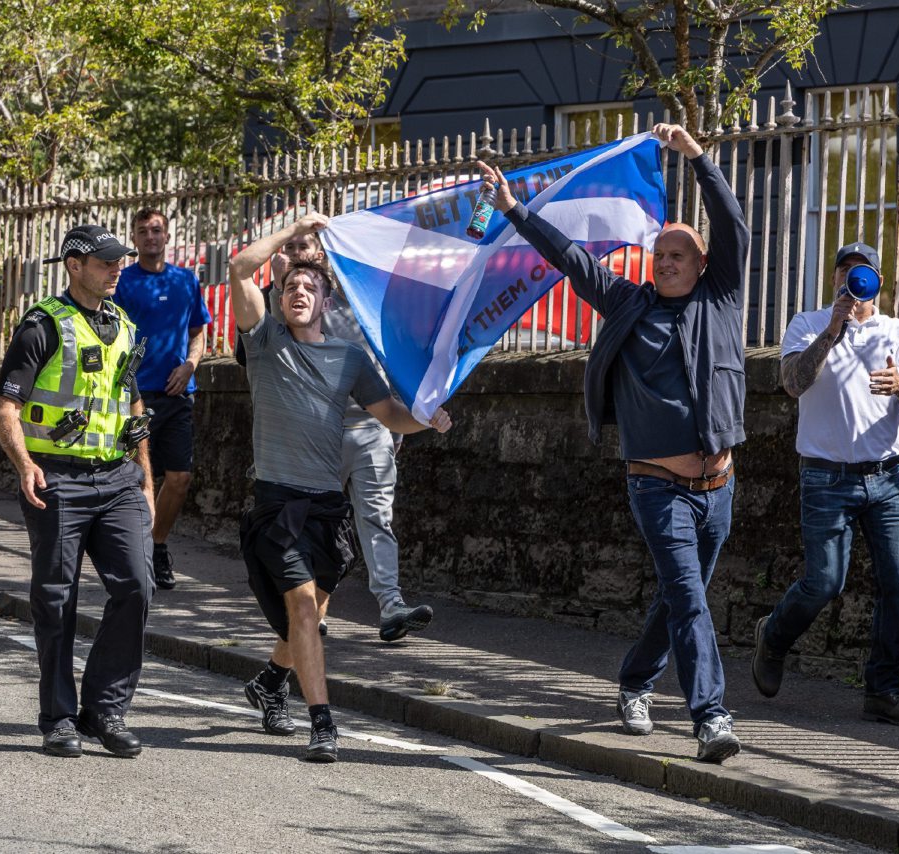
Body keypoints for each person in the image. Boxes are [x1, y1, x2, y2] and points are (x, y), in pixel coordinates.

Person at [475, 123, 749, 764]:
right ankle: (710, 717)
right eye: (660, 254)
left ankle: (632, 681)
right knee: (687, 597)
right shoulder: (628, 301)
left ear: (702, 264)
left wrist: (699, 160)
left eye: (678, 254)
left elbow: (733, 224)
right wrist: (515, 209)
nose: (665, 261)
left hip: (719, 486)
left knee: (685, 599)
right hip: (656, 485)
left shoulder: (722, 298)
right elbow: (569, 257)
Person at [227, 213, 452, 762]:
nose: (298, 292)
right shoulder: (262, 342)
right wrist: (293, 231)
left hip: (328, 509)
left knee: (313, 615)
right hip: (278, 505)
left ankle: (270, 683)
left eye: (309, 287)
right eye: (289, 287)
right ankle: (322, 723)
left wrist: (430, 421)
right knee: (304, 609)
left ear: (325, 300)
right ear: (278, 297)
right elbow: (238, 266)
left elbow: (391, 416)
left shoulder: (349, 358)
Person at [751, 242, 899, 726]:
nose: (854, 282)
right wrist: (833, 329)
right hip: (824, 476)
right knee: (824, 582)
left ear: (878, 282)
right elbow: (792, 382)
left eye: (864, 274)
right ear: (834, 280)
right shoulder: (807, 324)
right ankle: (773, 637)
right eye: (846, 273)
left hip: (886, 478)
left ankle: (883, 690)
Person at [0, 224, 157, 758]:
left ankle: (105, 710)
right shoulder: (43, 325)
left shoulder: (124, 325)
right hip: (57, 478)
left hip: (116, 480)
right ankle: (59, 718)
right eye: (106, 261)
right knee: (56, 599)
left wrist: (146, 478)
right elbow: (6, 409)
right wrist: (24, 464)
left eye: (119, 261)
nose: (117, 268)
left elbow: (132, 404)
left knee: (137, 585)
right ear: (75, 265)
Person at [264, 230, 434, 642]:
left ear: (321, 251)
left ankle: (391, 606)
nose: (296, 254)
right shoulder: (288, 300)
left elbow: (385, 352)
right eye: (289, 248)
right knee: (314, 525)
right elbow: (271, 335)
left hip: (371, 426)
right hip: (318, 435)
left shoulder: (358, 297)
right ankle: (309, 606)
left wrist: (397, 419)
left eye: (303, 246)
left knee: (377, 517)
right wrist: (275, 281)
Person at [114, 208, 214, 590]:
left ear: (167, 236)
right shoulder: (122, 282)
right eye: (143, 231)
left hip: (177, 394)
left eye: (157, 230)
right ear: (135, 240)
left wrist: (190, 365)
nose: (151, 237)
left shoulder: (185, 280)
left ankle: (156, 545)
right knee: (139, 477)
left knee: (180, 477)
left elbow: (198, 332)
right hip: (135, 395)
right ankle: (136, 552)